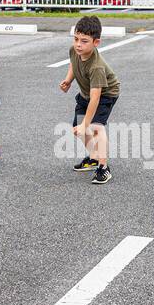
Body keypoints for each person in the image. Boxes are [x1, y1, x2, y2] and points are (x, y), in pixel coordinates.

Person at [59, 15, 120, 185]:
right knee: (77, 126)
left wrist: (87, 123)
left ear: (96, 43)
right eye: (76, 39)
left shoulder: (96, 67)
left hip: (106, 93)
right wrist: (68, 80)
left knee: (95, 127)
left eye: (84, 41)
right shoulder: (74, 51)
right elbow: (73, 63)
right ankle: (94, 157)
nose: (78, 44)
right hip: (86, 93)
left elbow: (96, 98)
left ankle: (103, 167)